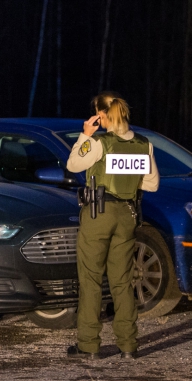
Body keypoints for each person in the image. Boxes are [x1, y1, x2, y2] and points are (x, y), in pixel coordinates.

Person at [65, 92, 159, 360]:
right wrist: (126, 181)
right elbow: (152, 184)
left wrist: (84, 135)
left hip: (99, 213)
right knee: (122, 281)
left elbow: (73, 165)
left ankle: (89, 346)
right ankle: (128, 345)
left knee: (91, 279)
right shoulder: (144, 144)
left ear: (101, 116)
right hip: (128, 215)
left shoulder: (99, 143)